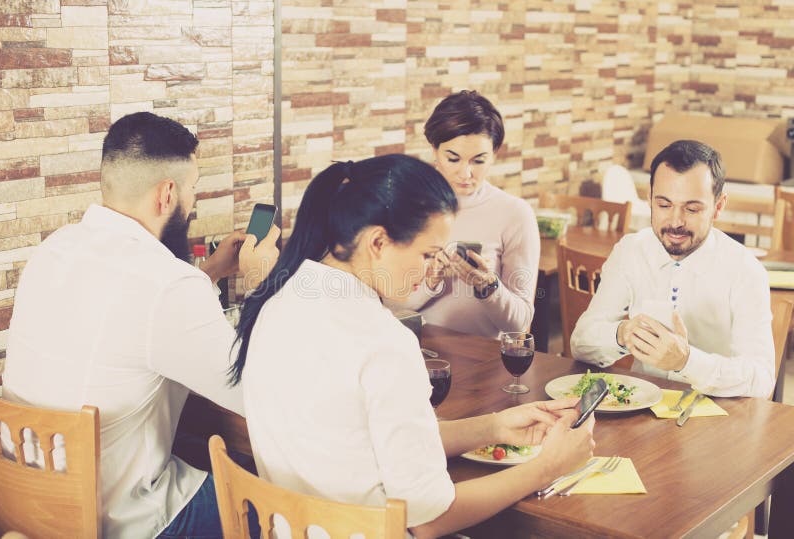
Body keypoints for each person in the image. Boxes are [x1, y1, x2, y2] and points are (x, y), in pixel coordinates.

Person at [231, 155, 594, 538]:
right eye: (426, 254)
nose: (431, 269)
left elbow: (364, 442)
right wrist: (547, 467)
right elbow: (429, 519)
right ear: (378, 242)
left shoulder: (275, 304)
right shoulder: (383, 343)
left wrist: (493, 427)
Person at [2, 112, 278, 538]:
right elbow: (260, 395)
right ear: (167, 194)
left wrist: (211, 273)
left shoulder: (55, 249)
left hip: (27, 505)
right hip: (121, 521)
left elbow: (124, 317)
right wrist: (263, 283)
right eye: (192, 190)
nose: (193, 203)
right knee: (279, 509)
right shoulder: (167, 284)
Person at [571, 139, 775, 398]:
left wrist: (686, 361)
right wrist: (621, 334)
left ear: (718, 207)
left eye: (692, 208)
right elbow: (580, 343)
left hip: (719, 419)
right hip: (641, 411)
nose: (675, 222)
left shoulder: (746, 270)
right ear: (650, 199)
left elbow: (761, 380)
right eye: (664, 205)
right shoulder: (631, 251)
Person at [395, 90, 540, 339]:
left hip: (482, 362)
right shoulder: (409, 205)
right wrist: (431, 282)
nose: (465, 173)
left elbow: (518, 326)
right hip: (416, 353)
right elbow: (390, 304)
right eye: (453, 159)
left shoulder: (515, 214)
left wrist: (488, 287)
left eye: (478, 161)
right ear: (434, 150)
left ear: (495, 153)